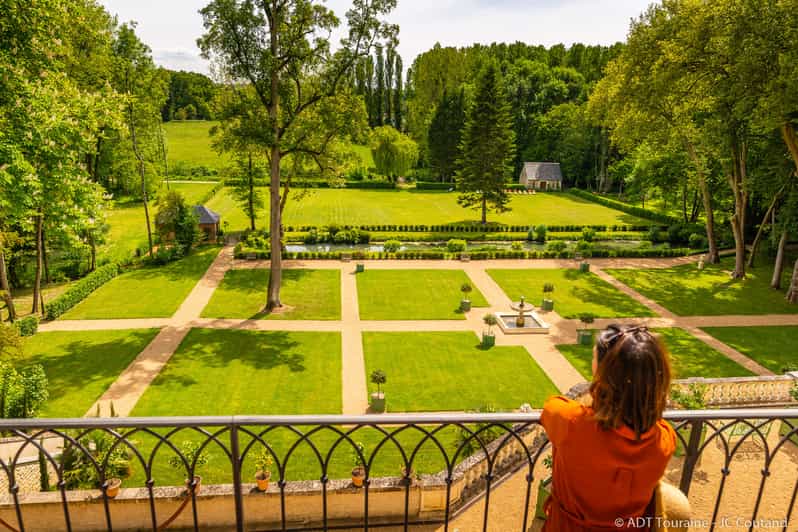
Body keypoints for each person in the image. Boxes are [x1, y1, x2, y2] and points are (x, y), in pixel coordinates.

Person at [540, 325, 677, 531]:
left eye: (594, 358)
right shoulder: (665, 439)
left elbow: (551, 407)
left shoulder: (571, 422)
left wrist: (596, 402)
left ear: (604, 375)